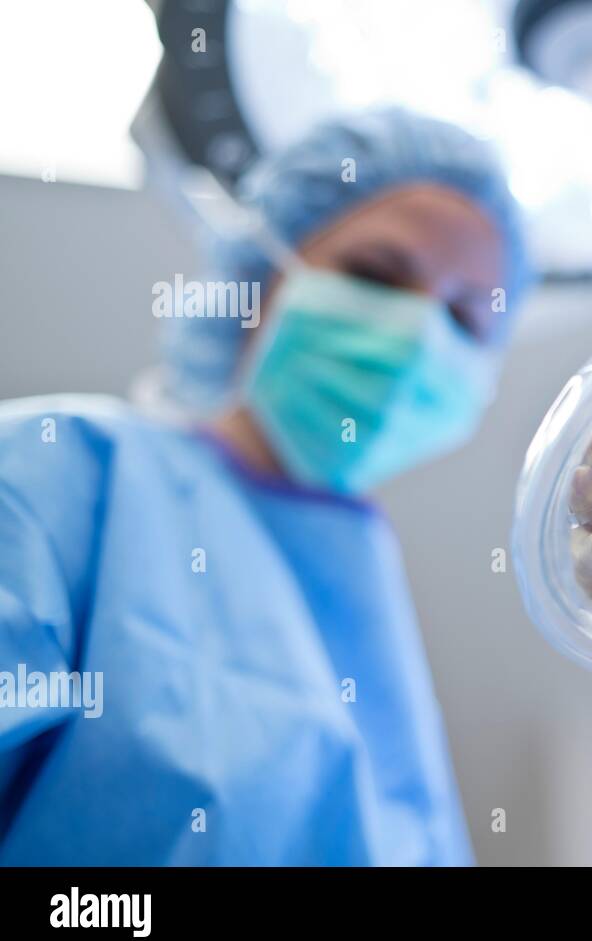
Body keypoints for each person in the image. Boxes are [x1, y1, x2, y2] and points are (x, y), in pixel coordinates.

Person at [0, 107, 529, 864]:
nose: (415, 334)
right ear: (262, 273)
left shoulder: (373, 622)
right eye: (377, 274)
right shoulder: (62, 477)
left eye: (463, 318)